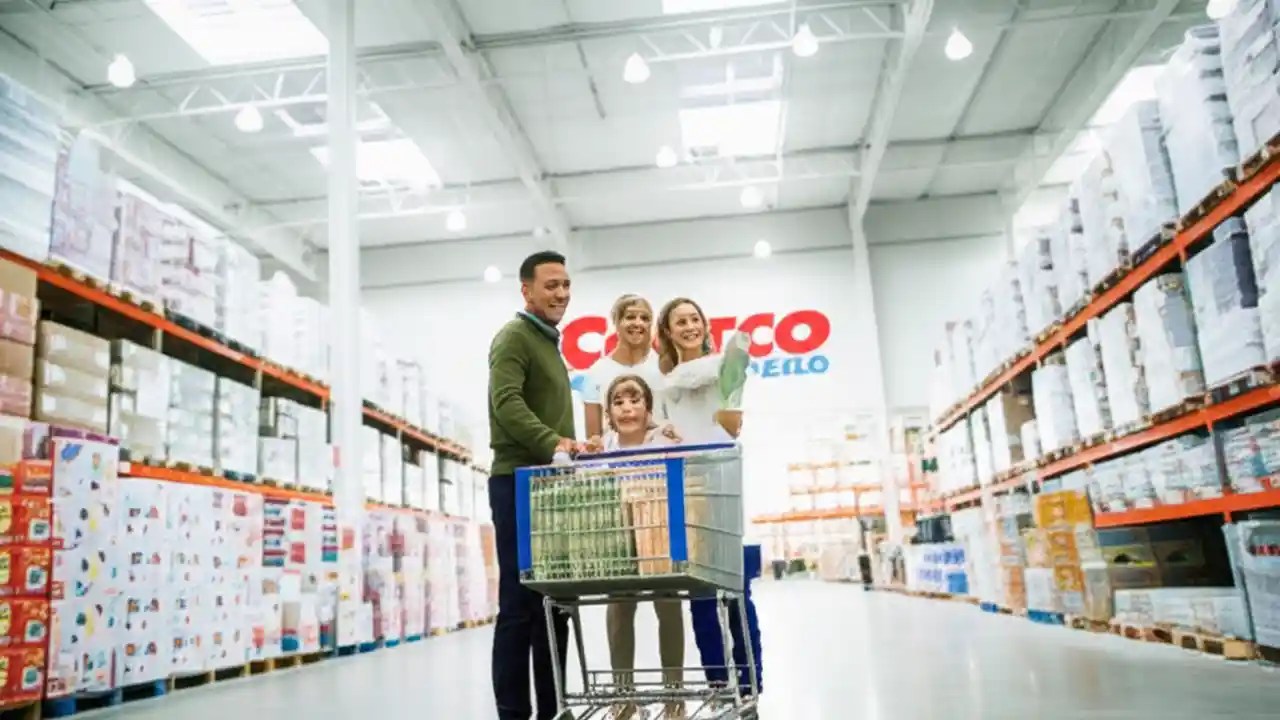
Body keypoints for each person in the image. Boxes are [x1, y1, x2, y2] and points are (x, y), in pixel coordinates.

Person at [655, 297, 763, 695]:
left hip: (724, 482)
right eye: (679, 321)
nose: (689, 326)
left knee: (736, 592)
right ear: (667, 331)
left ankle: (750, 682)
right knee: (699, 591)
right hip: (687, 488)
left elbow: (732, 416)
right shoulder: (665, 383)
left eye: (694, 319)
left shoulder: (723, 367)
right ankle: (718, 681)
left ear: (705, 325)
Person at [487, 250, 577, 720]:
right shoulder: (514, 338)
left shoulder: (548, 341)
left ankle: (554, 708)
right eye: (550, 285)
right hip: (518, 483)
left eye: (565, 284)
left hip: (551, 484)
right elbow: (506, 402)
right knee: (520, 606)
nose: (561, 293)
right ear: (526, 290)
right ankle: (514, 713)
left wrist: (573, 447)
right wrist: (551, 442)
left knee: (554, 604)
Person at [597, 374, 684, 720]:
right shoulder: (604, 446)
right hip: (620, 539)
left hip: (658, 535)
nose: (627, 407)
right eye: (618, 402)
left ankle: (674, 696)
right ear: (608, 412)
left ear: (649, 409)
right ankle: (623, 696)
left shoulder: (663, 439)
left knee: (668, 604)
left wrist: (676, 440)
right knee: (619, 608)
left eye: (635, 400)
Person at [582, 294, 665, 441]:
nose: (638, 323)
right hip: (616, 458)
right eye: (630, 317)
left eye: (645, 318)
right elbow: (593, 438)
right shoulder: (596, 373)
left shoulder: (664, 368)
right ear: (617, 322)